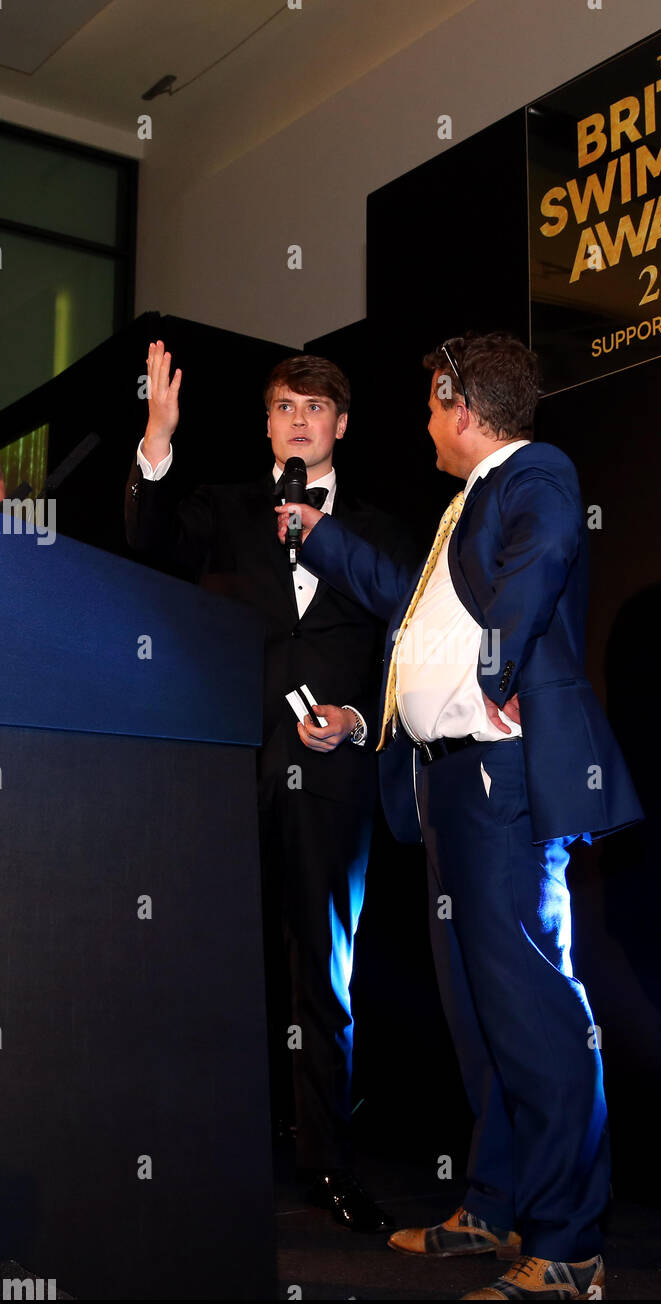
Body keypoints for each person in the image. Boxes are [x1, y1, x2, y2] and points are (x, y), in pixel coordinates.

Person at [276, 331, 643, 1300]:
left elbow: (548, 556)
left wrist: (497, 670)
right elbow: (411, 605)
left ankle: (567, 1244)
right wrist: (316, 536)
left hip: (500, 778)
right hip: (447, 787)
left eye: (433, 402)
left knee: (530, 1008)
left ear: (459, 400)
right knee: (480, 1015)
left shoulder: (537, 473)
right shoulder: (464, 506)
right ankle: (492, 1204)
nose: (426, 420)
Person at [125, 341, 409, 1232]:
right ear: (268, 421)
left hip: (331, 774)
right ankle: (207, 1152)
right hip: (226, 770)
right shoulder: (227, 508)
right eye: (285, 406)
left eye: (315, 407)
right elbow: (149, 536)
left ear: (342, 424)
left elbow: (410, 645)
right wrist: (157, 438)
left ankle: (326, 1162)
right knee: (213, 959)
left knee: (323, 977)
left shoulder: (381, 527)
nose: (299, 420)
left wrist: (359, 721)